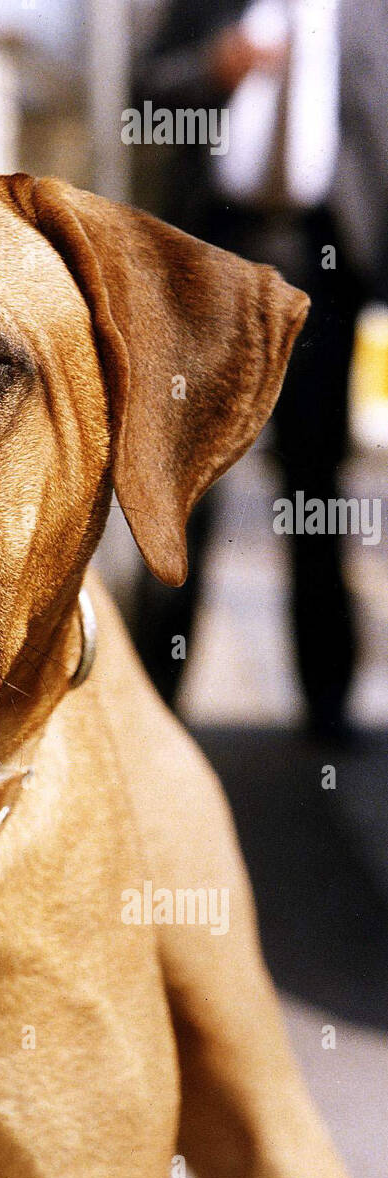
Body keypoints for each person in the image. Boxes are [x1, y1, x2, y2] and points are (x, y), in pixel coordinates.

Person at [131, 0, 388, 739]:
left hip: (323, 263)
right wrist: (215, 66)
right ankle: (150, 707)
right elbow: (143, 95)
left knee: (318, 486)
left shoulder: (369, 15)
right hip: (210, 258)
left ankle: (329, 707)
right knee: (183, 484)